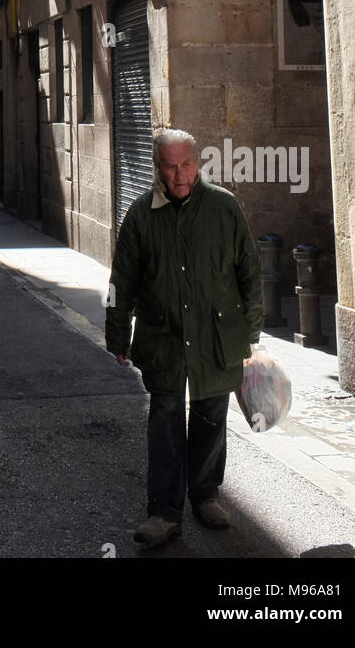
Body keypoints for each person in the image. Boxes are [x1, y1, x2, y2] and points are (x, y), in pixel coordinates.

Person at [105, 128, 262, 548]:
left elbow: (249, 270)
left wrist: (251, 330)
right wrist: (117, 333)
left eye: (187, 164)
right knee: (166, 418)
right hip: (163, 335)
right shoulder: (140, 214)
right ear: (158, 168)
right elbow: (121, 281)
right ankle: (164, 512)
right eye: (170, 167)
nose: (180, 175)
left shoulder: (224, 207)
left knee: (211, 415)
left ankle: (206, 495)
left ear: (198, 162)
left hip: (217, 334)